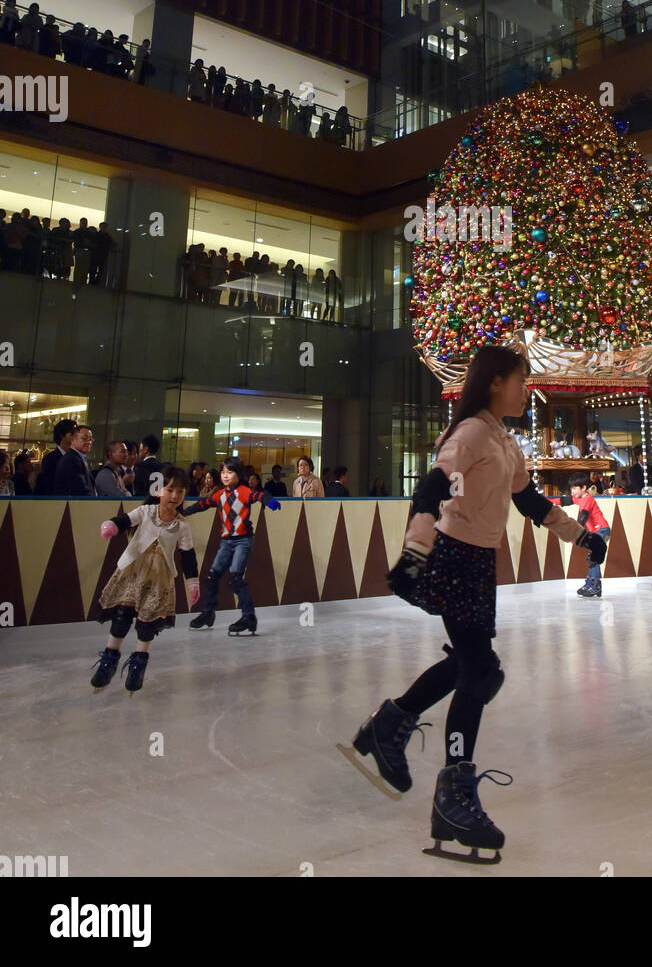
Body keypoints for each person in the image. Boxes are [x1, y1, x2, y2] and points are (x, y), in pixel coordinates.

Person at [344, 345, 605, 860]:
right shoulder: (469, 436)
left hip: (478, 562)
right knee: (479, 671)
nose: (526, 389)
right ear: (495, 383)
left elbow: (529, 503)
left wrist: (581, 536)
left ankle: (390, 723)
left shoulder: (505, 441)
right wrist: (415, 554)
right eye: (520, 379)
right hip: (453, 556)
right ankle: (452, 790)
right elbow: (429, 493)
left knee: (473, 665)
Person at [91, 466, 199, 692]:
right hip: (132, 572)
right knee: (121, 615)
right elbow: (124, 520)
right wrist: (111, 526)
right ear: (159, 490)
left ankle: (138, 664)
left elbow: (188, 556)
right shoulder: (147, 512)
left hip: (159, 578)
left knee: (147, 623)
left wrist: (193, 582)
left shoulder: (182, 525)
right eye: (170, 490)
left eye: (180, 491)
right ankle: (109, 659)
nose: (175, 496)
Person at [183, 456, 280, 635]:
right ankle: (208, 613)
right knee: (212, 576)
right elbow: (203, 504)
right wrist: (183, 512)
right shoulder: (220, 495)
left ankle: (249, 617)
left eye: (230, 472)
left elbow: (260, 495)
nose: (225, 476)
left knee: (235, 578)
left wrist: (269, 501)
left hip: (243, 540)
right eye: (223, 472)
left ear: (239, 473)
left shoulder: (243, 491)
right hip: (226, 541)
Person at [572, 475, 610, 598]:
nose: (572, 491)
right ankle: (592, 584)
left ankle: (594, 585)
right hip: (597, 531)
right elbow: (564, 500)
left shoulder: (587, 499)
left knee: (593, 556)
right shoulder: (581, 498)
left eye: (575, 488)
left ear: (583, 488)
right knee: (593, 557)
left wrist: (575, 535)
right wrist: (546, 502)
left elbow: (583, 518)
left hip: (602, 529)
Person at [55, 425, 96, 497]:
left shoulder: (78, 458)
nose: (89, 442)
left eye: (90, 439)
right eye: (84, 438)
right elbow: (79, 489)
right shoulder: (71, 460)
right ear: (73, 439)